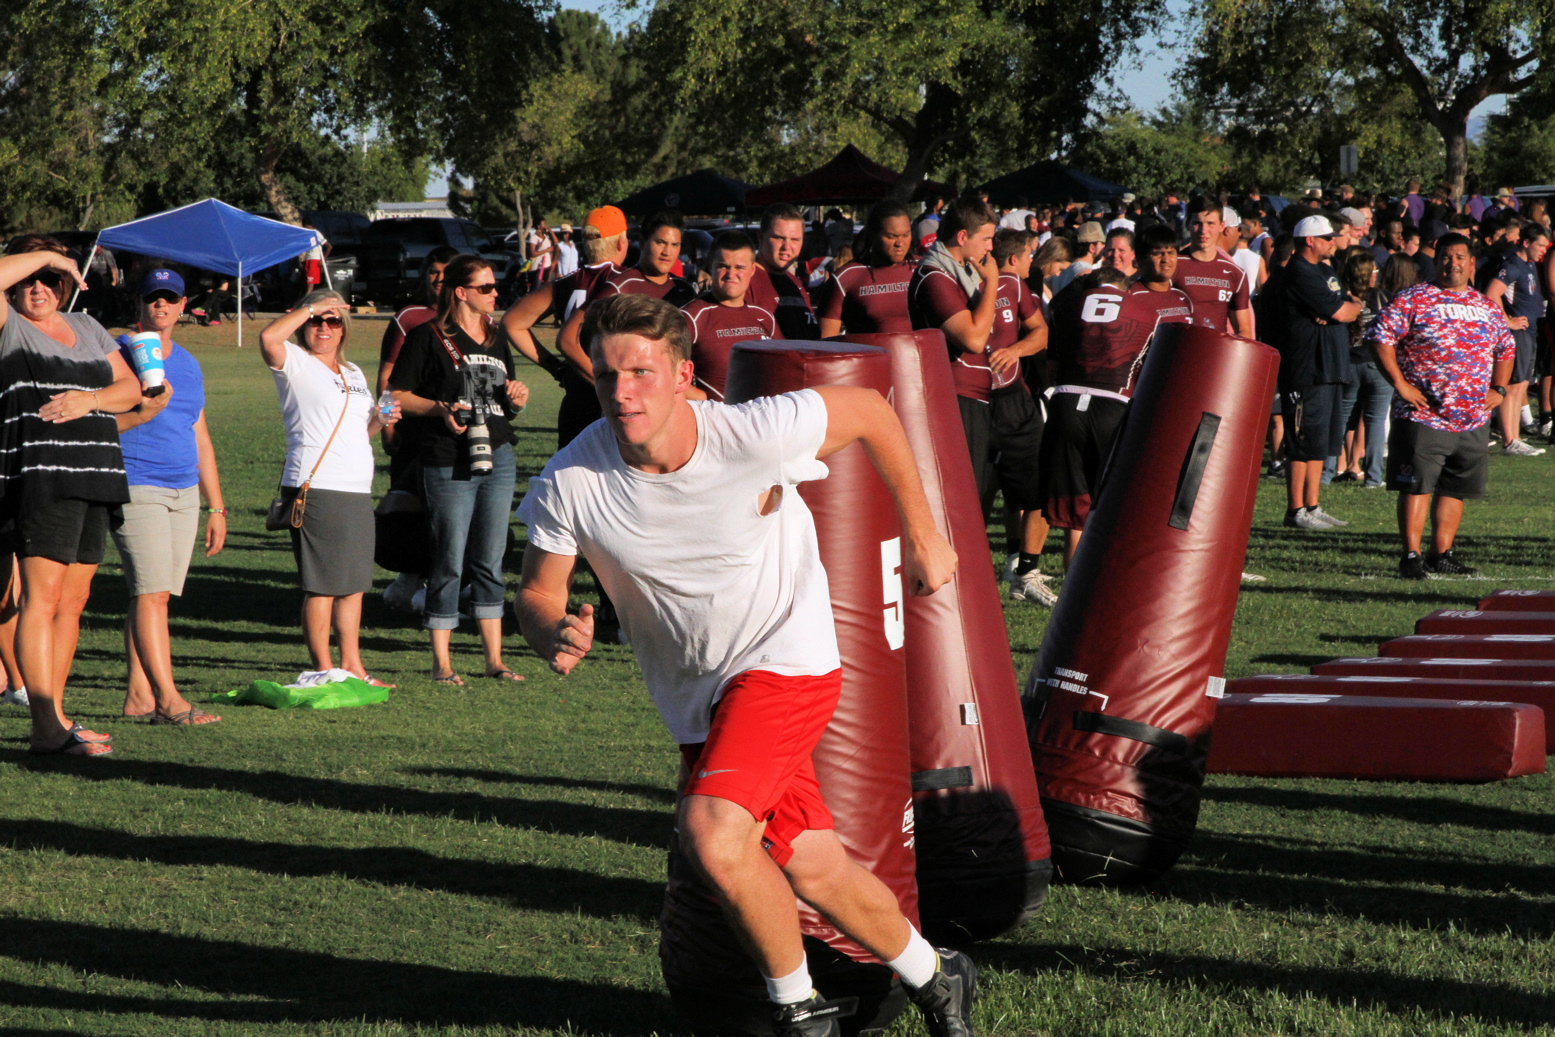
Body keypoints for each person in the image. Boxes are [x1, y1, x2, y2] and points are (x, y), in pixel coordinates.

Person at [514, 292, 976, 1037]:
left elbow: (868, 410)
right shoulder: (572, 479)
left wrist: (923, 533)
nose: (622, 392)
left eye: (640, 372)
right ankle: (937, 972)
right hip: (699, 698)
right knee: (813, 865)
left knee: (711, 832)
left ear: (681, 375)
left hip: (785, 660)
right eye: (606, 375)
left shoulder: (750, 432)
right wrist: (552, 631)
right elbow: (538, 592)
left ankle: (799, 1011)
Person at [0, 236, 144, 756]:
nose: (38, 288)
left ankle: (56, 718)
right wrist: (48, 257)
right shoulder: (9, 326)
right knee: (40, 598)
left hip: (97, 475)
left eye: (49, 281)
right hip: (43, 477)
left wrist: (92, 400)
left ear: (66, 287)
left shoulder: (86, 326)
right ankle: (45, 726)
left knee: (73, 601)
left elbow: (131, 389)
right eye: (27, 281)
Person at [389, 257, 529, 683]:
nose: (495, 293)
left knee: (490, 558)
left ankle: (494, 661)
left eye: (494, 286)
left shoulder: (497, 336)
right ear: (461, 292)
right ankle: (442, 664)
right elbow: (396, 394)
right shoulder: (427, 336)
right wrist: (440, 409)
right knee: (449, 559)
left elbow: (503, 401)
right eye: (485, 288)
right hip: (447, 457)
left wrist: (516, 401)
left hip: (498, 454)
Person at [261, 290, 399, 686]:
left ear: (343, 328)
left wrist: (380, 420)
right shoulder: (294, 361)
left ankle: (352, 666)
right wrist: (310, 306)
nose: (323, 326)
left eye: (332, 320)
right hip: (317, 486)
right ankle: (323, 669)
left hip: (355, 486)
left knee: (353, 584)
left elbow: (358, 432)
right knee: (322, 585)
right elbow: (268, 338)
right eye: (316, 320)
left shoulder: (353, 372)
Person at [1039, 225, 1193, 568]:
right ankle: (1107, 579)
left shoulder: (1069, 306)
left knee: (1075, 512)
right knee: (1115, 502)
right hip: (1113, 405)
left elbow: (1052, 364)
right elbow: (1149, 371)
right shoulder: (1146, 311)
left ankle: (1072, 588)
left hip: (1066, 402)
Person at [112, 269, 226, 725]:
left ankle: (139, 697)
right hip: (138, 482)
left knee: (152, 594)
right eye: (152, 297)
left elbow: (200, 435)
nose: (161, 305)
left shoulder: (190, 364)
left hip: (184, 490)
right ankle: (169, 700)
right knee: (152, 593)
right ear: (139, 304)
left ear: (183, 307)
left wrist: (216, 505)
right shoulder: (118, 353)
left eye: (169, 298)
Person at [1366, 233, 1515, 579]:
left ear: (1472, 263)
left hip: (1472, 417)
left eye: (1460, 257)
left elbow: (1506, 348)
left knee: (1455, 487)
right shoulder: (1414, 298)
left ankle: (1441, 554)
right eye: (1446, 257)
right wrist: (1400, 384)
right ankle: (1411, 555)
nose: (1453, 264)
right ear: (1436, 262)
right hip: (1424, 413)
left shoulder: (1485, 305)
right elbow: (1380, 337)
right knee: (1417, 484)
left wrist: (1499, 389)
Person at [503, 207, 631, 449]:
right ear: (620, 242)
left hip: (576, 400)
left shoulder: (565, 282)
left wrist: (557, 368)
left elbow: (512, 323)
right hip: (616, 398)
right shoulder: (625, 280)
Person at [1268, 215, 1362, 531]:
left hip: (1330, 365)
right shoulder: (1298, 272)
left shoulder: (1324, 269)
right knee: (1303, 440)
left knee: (1321, 442)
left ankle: (1313, 505)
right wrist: (1340, 311)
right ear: (1309, 240)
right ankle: (1296, 510)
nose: (1332, 241)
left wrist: (1342, 309)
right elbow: (1342, 310)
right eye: (1326, 237)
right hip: (1307, 368)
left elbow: (1349, 303)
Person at [681, 232, 779, 401]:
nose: (731, 274)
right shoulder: (692, 317)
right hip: (714, 417)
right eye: (723, 266)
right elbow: (661, 369)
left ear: (752, 270)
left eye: (739, 267)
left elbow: (783, 367)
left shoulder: (764, 317)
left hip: (760, 415)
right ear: (711, 267)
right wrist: (702, 400)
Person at [1486, 223, 1550, 455]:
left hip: (1530, 332)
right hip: (1518, 333)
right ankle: (1509, 440)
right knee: (1512, 386)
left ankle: (1515, 437)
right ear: (1526, 243)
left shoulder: (1529, 265)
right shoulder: (1513, 265)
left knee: (1522, 384)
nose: (1543, 250)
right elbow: (1492, 293)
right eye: (1539, 245)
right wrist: (1507, 321)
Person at [818, 199, 915, 337]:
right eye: (891, 236)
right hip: (869, 351)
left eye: (905, 235)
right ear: (872, 234)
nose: (900, 243)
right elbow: (825, 343)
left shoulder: (924, 269)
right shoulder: (846, 278)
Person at [1173, 198, 1253, 337]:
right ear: (1187, 224)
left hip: (1217, 349)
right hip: (1178, 347)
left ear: (1222, 226)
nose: (1204, 231)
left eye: (1210, 223)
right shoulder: (1171, 266)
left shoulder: (1235, 274)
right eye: (1197, 223)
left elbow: (1244, 330)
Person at [747, 204, 821, 339]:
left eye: (795, 240)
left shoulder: (795, 282)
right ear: (761, 236)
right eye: (779, 238)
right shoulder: (744, 280)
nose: (787, 247)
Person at [595, 211, 697, 308]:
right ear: (642, 243)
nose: (667, 252)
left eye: (675, 245)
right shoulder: (619, 288)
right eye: (660, 242)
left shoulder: (685, 289)